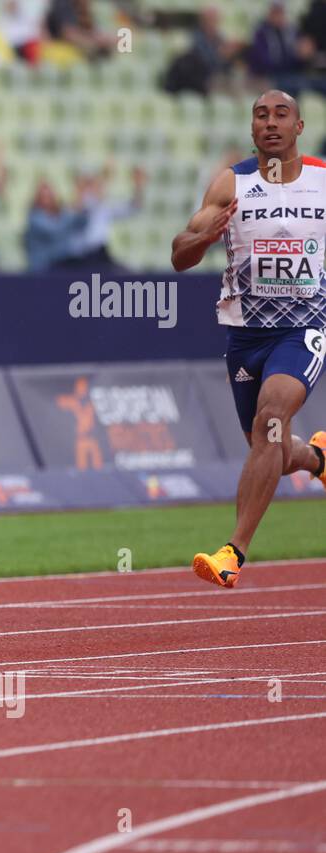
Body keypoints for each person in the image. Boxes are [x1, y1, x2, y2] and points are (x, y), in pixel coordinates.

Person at [172, 90, 326, 588]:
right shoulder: (231, 183)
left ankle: (232, 553)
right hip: (245, 336)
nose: (271, 123)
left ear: (299, 127)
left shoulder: (323, 181)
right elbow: (180, 254)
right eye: (261, 115)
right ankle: (319, 458)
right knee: (275, 452)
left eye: (282, 115)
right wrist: (205, 235)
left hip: (304, 328)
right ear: (252, 128)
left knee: (273, 417)